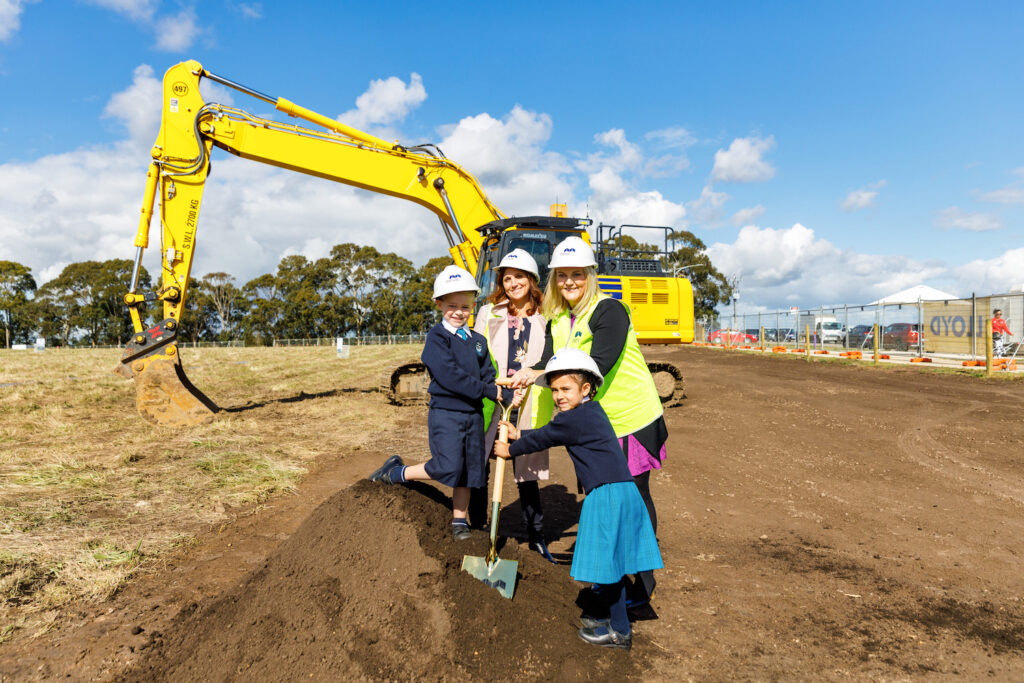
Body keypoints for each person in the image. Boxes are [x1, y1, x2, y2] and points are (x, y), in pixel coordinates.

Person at [509, 235, 667, 606]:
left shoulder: (609, 311)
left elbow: (600, 364)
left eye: (577, 274)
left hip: (630, 419)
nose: (569, 282)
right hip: (596, 426)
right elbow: (548, 364)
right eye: (562, 276)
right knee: (604, 496)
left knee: (633, 496)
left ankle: (642, 584)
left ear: (590, 274)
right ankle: (613, 576)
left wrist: (543, 377)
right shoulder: (558, 318)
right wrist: (526, 376)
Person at [494, 349, 662, 650]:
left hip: (607, 495)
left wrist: (511, 449)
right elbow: (550, 433)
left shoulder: (574, 418)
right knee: (615, 563)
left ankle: (620, 632)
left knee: (608, 567)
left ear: (586, 389)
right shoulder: (589, 412)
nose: (558, 396)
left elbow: (547, 436)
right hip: (622, 491)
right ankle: (614, 618)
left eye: (565, 389)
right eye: (555, 390)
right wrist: (520, 435)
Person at [369, 265, 501, 541]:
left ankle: (458, 522)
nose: (459, 312)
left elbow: (489, 373)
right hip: (447, 414)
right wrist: (488, 391)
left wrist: (500, 390)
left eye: (465, 306)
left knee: (469, 471)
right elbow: (450, 376)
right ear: (439, 304)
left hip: (473, 416)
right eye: (452, 305)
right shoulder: (436, 338)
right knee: (448, 466)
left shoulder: (478, 341)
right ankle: (397, 472)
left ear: (473, 305)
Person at [470, 248, 555, 562]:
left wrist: (530, 381)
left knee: (527, 471)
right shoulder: (489, 313)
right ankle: (478, 529)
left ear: (531, 279)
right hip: (494, 398)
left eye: (519, 276)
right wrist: (495, 386)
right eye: (507, 278)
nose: (513, 283)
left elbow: (552, 359)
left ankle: (536, 538)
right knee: (480, 463)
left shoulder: (548, 316)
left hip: (529, 401)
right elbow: (477, 356)